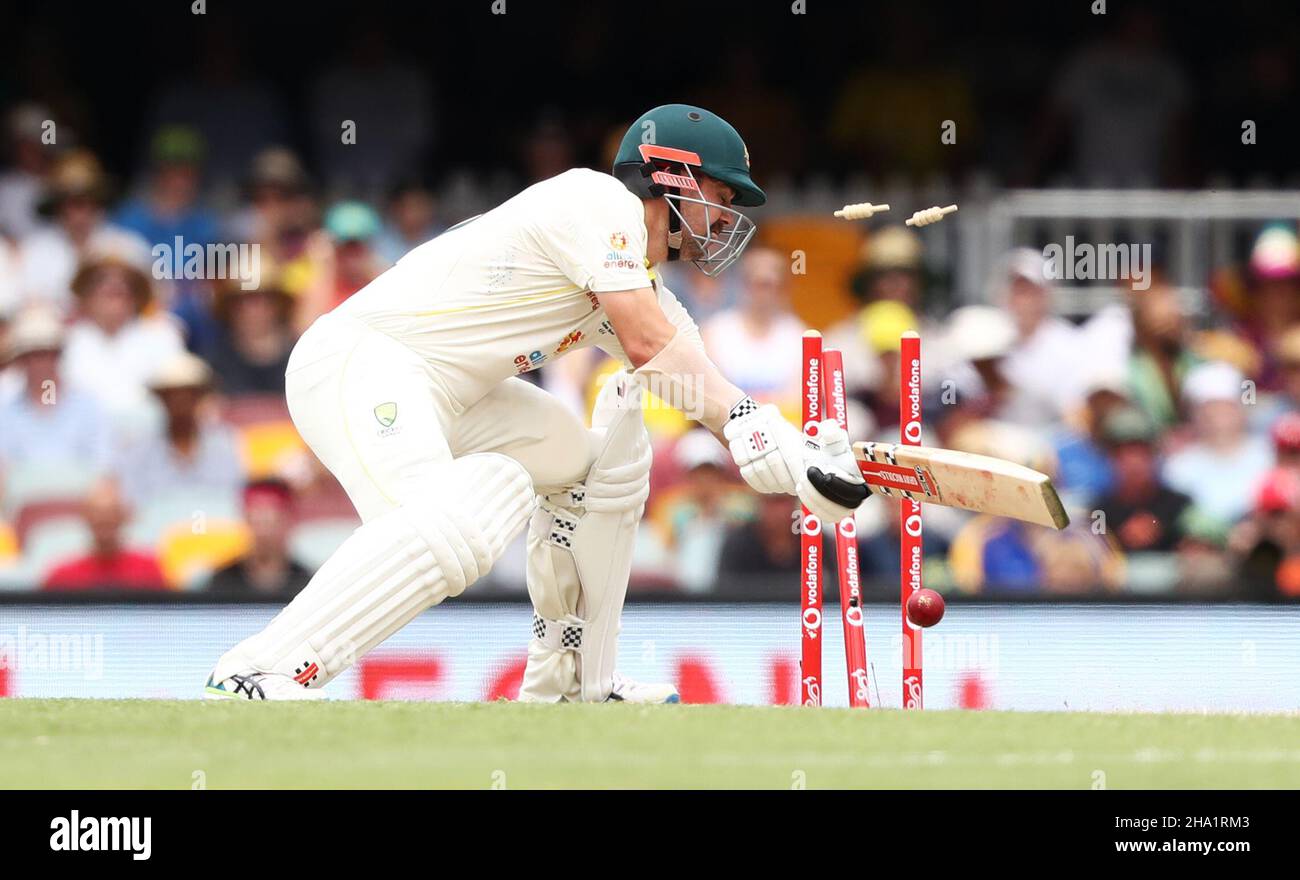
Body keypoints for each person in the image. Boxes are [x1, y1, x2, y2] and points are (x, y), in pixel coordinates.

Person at [205, 104, 866, 702]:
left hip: (453, 393)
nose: (725, 218)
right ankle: (262, 668)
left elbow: (707, 393)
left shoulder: (638, 287)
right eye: (721, 196)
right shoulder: (597, 201)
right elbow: (648, 343)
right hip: (362, 363)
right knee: (471, 505)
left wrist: (801, 459)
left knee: (594, 461)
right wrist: (755, 429)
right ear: (671, 177)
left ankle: (575, 679)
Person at [114, 351, 244, 507]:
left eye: (188, 395)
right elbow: (134, 505)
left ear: (200, 397)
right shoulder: (139, 449)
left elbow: (234, 499)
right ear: (162, 399)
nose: (181, 403)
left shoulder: (227, 443)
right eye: (172, 396)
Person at [43, 480, 167, 591]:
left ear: (123, 516)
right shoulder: (62, 577)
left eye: (111, 512)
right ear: (86, 516)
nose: (104, 519)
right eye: (97, 513)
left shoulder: (149, 571)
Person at [206, 479, 312, 598]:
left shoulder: (308, 585)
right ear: (245, 520)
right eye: (256, 521)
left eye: (270, 521)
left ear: (290, 520)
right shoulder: (222, 582)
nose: (263, 532)